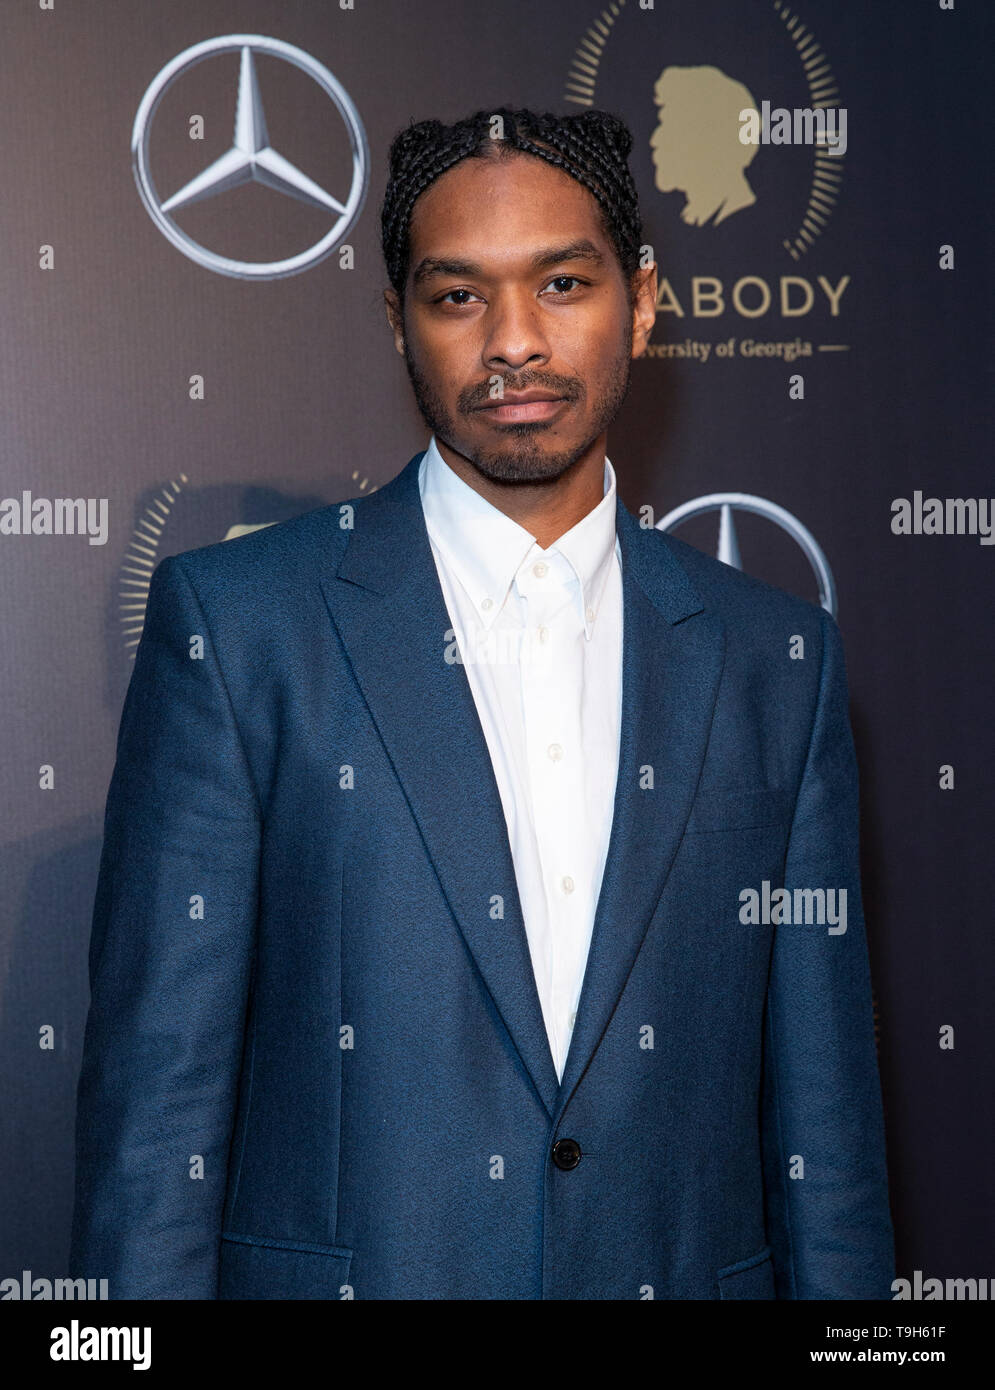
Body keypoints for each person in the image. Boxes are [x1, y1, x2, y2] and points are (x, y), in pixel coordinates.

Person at [69, 106, 895, 1299]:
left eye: (562, 282)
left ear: (644, 298)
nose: (513, 341)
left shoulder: (777, 659)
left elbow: (827, 1132)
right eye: (457, 297)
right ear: (397, 322)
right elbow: (158, 1116)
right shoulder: (241, 625)